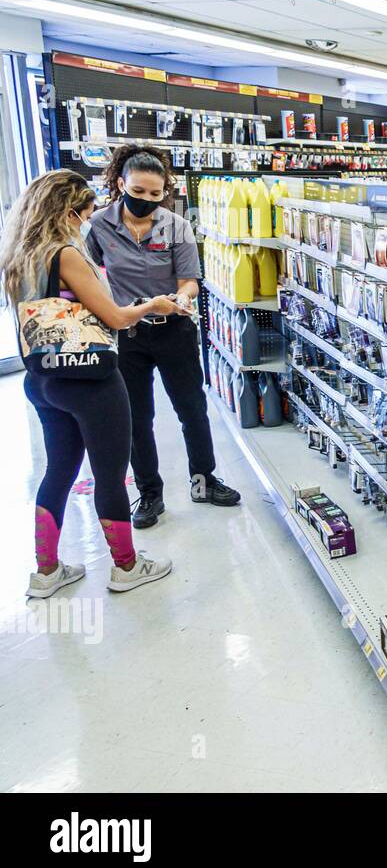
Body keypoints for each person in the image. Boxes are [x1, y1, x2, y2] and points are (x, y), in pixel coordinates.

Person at [0, 170, 181, 596]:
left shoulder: (19, 256)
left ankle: (45, 573)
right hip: (91, 381)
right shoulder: (65, 254)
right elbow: (115, 317)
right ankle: (126, 566)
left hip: (43, 381)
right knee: (110, 473)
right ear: (67, 211)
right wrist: (153, 305)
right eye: (84, 214)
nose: (87, 222)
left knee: (58, 471)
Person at [87, 145, 240, 529]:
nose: (146, 201)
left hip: (174, 329)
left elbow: (189, 279)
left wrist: (181, 299)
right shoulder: (99, 226)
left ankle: (203, 481)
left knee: (192, 408)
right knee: (137, 418)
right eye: (138, 192)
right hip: (126, 333)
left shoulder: (176, 225)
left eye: (155, 194)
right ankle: (150, 494)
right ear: (121, 183)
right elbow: (85, 274)